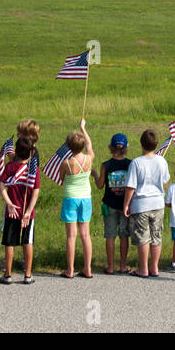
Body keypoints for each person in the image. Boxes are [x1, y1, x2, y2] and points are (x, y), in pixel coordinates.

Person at [122, 129, 170, 278]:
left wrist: (126, 204)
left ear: (142, 144)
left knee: (143, 237)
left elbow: (131, 186)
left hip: (141, 204)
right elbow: (165, 180)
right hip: (158, 203)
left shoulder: (136, 162)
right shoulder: (162, 160)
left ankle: (143, 268)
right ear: (156, 144)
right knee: (156, 235)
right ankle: (154, 267)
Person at [0, 129, 42, 284]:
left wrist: (9, 204)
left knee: (9, 243)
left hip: (12, 212)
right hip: (27, 213)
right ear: (31, 153)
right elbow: (35, 192)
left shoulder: (10, 167)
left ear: (15, 151)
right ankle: (28, 275)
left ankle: (8, 275)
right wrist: (28, 212)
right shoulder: (33, 170)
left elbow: (1, 185)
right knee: (27, 242)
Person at [92, 132, 132, 274]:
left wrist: (95, 175)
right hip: (125, 205)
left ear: (110, 147)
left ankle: (110, 267)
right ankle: (122, 265)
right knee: (123, 235)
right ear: (126, 147)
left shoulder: (106, 165)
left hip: (109, 204)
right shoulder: (130, 164)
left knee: (110, 235)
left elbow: (100, 185)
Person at [60, 120, 95, 279]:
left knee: (71, 236)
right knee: (85, 235)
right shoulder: (89, 159)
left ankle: (70, 269)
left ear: (68, 146)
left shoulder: (66, 163)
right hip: (85, 198)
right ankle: (87, 268)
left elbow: (61, 179)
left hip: (70, 198)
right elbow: (89, 144)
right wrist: (83, 128)